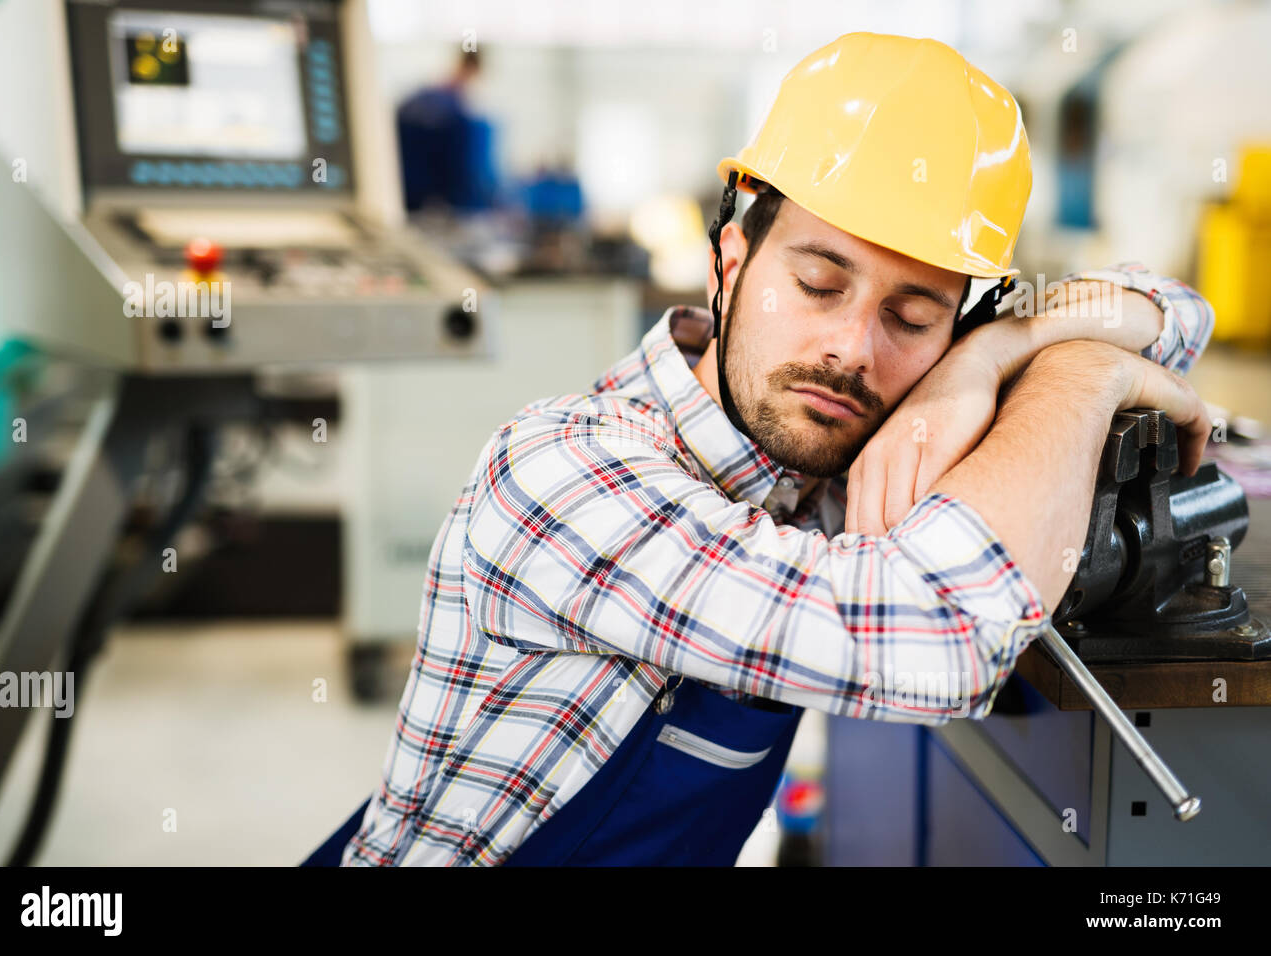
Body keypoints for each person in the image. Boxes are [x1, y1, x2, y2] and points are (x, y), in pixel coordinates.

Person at [342, 33, 1214, 866]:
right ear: (729, 265)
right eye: (817, 284)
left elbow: (1173, 308)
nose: (852, 350)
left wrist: (989, 358)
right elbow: (939, 639)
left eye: (911, 318)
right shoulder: (560, 471)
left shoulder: (836, 460)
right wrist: (1078, 380)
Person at [395, 48, 495, 213]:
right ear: (473, 71)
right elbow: (463, 172)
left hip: (407, 192)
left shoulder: (418, 99)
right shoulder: (458, 115)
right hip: (433, 200)